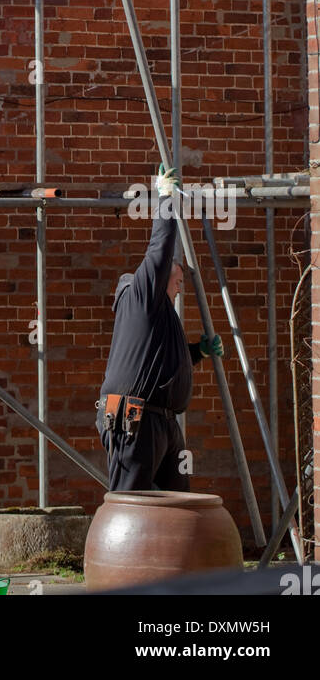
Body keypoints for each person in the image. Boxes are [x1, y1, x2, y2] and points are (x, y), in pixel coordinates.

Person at [95, 167, 224, 491]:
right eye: (178, 281)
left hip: (163, 420)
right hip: (133, 417)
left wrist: (197, 352)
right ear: (162, 277)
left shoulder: (160, 314)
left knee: (176, 503)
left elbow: (158, 361)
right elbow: (160, 248)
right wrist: (165, 198)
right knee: (132, 500)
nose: (180, 288)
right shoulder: (142, 296)